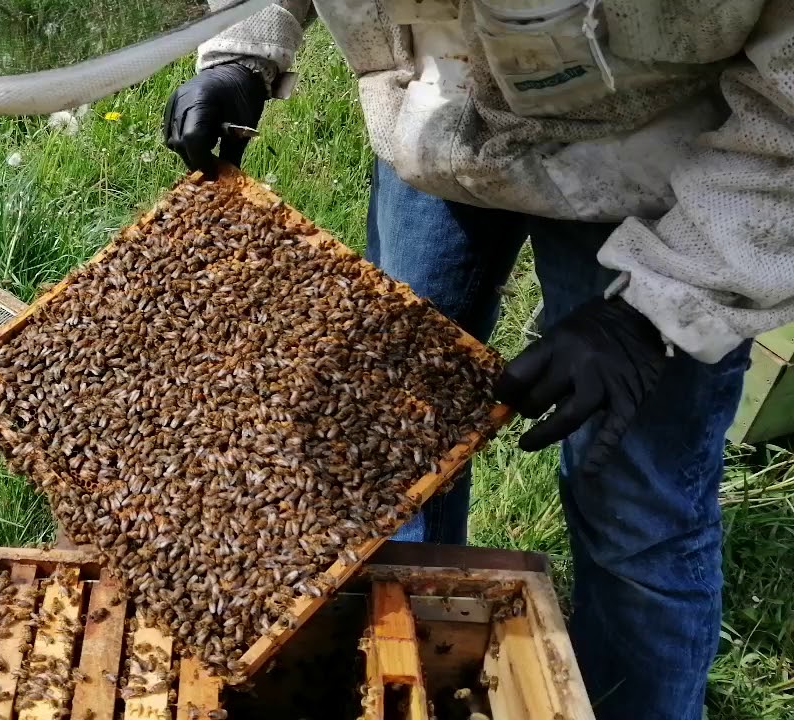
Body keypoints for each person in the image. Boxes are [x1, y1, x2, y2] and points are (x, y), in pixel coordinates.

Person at [163, 3, 793, 719]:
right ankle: (403, 672)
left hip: (667, 168)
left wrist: (659, 308)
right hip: (437, 123)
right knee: (390, 447)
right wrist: (243, 50)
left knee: (638, 504)